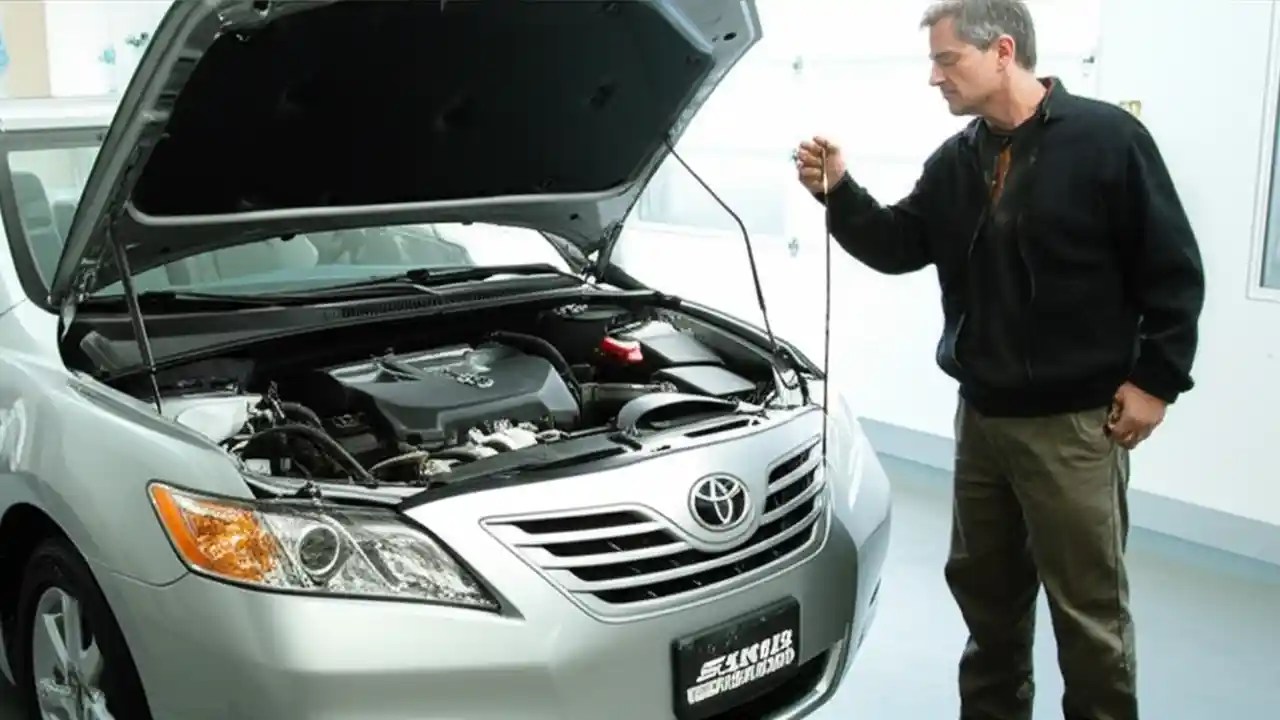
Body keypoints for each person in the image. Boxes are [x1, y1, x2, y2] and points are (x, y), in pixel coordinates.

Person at [794, 1, 1204, 719]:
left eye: (947, 60)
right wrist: (841, 194)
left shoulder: (1109, 139)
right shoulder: (959, 160)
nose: (934, 78)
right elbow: (898, 244)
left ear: (1003, 51)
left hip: (1074, 428)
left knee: (1089, 618)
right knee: (988, 609)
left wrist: (1156, 379)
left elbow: (1171, 268)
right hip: (982, 420)